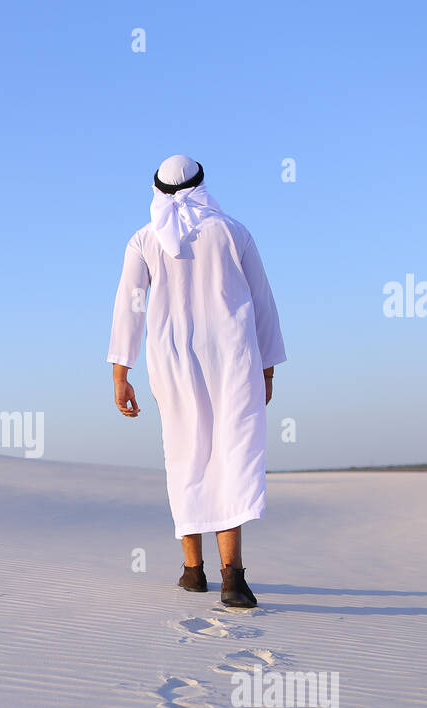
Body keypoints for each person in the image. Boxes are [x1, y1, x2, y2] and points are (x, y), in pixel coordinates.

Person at [108, 154, 286, 608]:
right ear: (203, 185)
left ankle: (193, 571)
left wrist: (120, 371)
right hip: (233, 356)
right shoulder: (233, 231)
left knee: (185, 451)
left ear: (156, 191)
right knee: (233, 454)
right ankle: (234, 577)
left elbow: (129, 306)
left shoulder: (144, 239)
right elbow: (263, 302)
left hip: (171, 359)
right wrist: (266, 366)